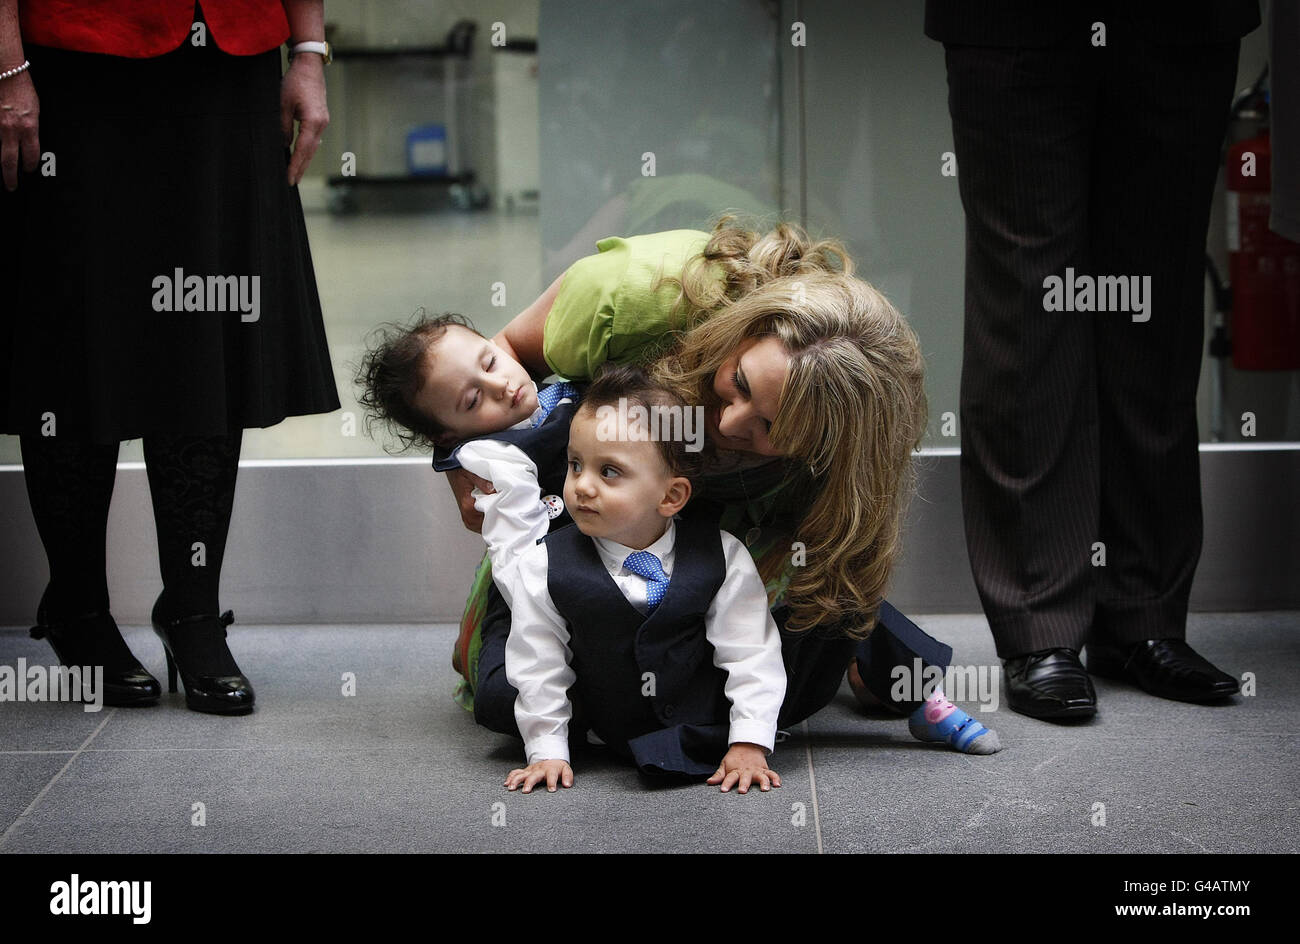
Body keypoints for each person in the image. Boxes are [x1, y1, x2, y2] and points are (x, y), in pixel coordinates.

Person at [446, 222, 1002, 757]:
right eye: (738, 384)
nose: (731, 426)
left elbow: (831, 570)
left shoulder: (825, 474)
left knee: (822, 606)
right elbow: (491, 368)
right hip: (580, 508)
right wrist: (470, 469)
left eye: (771, 430)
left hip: (718, 535)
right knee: (508, 686)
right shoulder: (637, 292)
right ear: (745, 330)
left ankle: (880, 670)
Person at [0, 0, 339, 713]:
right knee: (80, 331)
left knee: (205, 328)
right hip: (75, 58)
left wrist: (309, 47)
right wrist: (7, 64)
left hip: (229, 57)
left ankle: (191, 610)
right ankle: (79, 608)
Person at [925, 0, 1258, 719]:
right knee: (1028, 305)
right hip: (1013, 21)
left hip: (1181, 23)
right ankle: (1039, 624)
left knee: (1155, 301)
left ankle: (1144, 617)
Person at [504, 365, 787, 794]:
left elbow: (750, 652)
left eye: (610, 472)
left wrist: (749, 741)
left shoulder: (722, 555)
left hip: (698, 718)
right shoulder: (544, 565)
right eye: (575, 465)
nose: (582, 486)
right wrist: (547, 750)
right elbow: (538, 663)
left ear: (671, 496)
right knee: (498, 696)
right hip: (601, 724)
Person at [357, 312, 586, 605]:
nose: (500, 385)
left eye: (491, 362)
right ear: (447, 437)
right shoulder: (494, 459)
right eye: (474, 400)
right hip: (553, 579)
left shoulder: (557, 394)